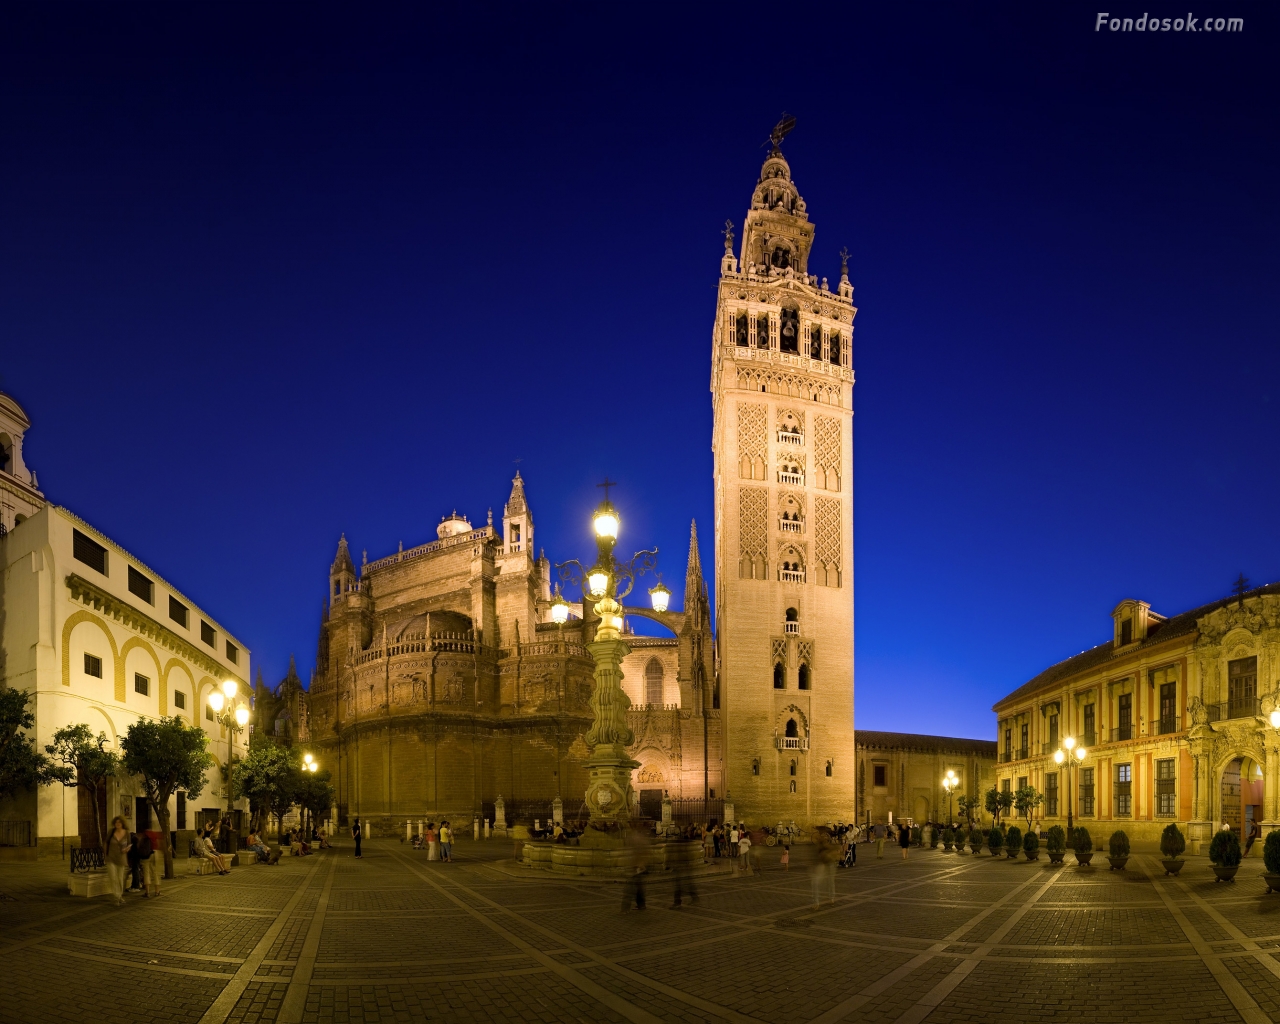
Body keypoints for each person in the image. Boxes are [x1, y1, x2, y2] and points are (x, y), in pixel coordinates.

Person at [105, 816, 131, 905]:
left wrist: (127, 849)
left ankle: (119, 896)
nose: (118, 824)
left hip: (121, 858)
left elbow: (129, 844)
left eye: (119, 822)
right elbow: (106, 843)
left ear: (122, 823)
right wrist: (105, 855)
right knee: (113, 878)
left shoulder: (126, 833)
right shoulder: (111, 832)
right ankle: (116, 897)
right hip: (111, 858)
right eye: (116, 822)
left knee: (120, 878)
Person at [137, 831, 160, 898]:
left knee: (146, 873)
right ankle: (157, 891)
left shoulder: (143, 834)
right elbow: (158, 844)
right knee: (156, 873)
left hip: (146, 855)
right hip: (155, 853)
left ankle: (147, 892)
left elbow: (139, 846)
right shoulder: (153, 833)